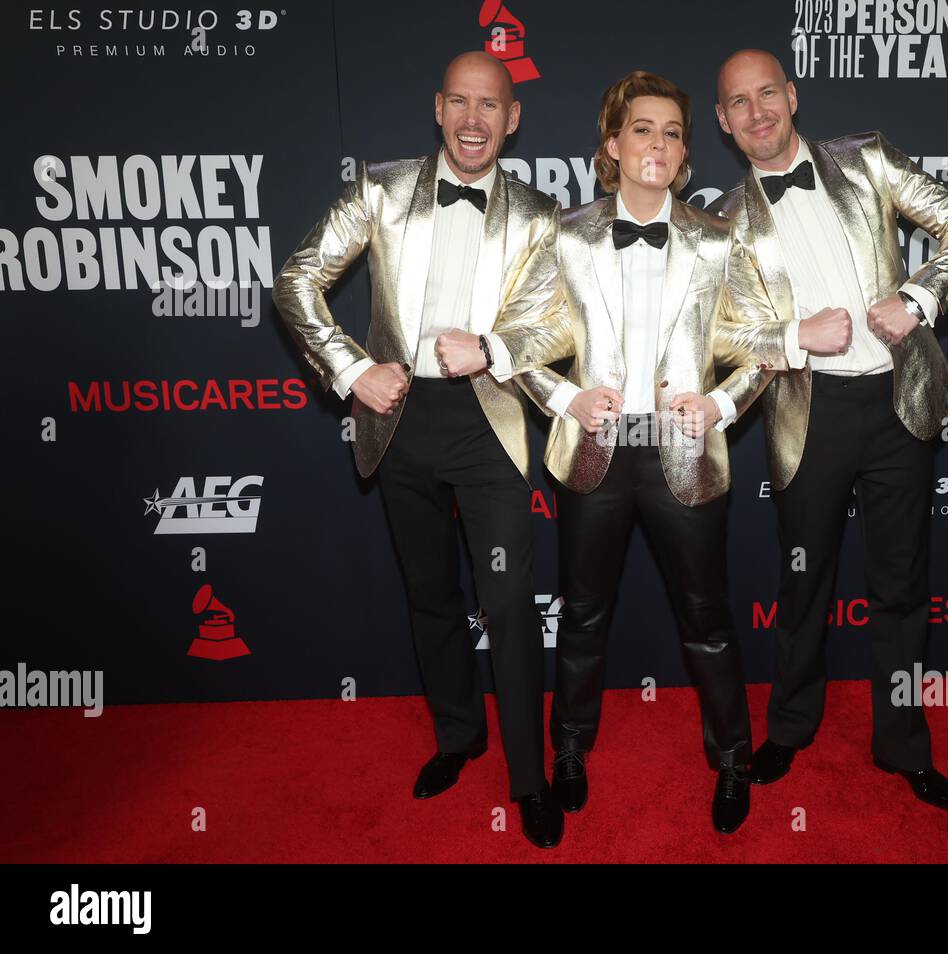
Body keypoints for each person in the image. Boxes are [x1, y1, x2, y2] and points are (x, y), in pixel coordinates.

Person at [436, 69, 849, 834]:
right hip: (595, 452)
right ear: (612, 146)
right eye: (642, 129)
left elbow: (760, 341)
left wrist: (719, 404)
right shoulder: (564, 235)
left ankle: (731, 759)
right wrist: (565, 399)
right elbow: (521, 336)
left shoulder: (720, 241)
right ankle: (568, 750)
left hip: (685, 453)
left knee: (709, 622)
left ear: (684, 154)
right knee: (585, 617)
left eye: (671, 132)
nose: (656, 143)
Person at [271, 51, 564, 848]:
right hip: (399, 421)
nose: (474, 120)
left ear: (513, 118)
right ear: (439, 109)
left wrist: (497, 347)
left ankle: (529, 778)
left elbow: (556, 327)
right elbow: (297, 278)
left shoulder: (540, 216)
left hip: (489, 426)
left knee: (508, 607)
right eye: (460, 103)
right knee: (430, 595)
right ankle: (457, 734)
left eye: (490, 105)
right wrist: (352, 368)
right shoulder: (382, 188)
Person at [708, 48, 948, 811]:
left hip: (899, 404)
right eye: (739, 102)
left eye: (768, 93)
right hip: (811, 415)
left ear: (792, 96)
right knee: (803, 585)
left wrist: (920, 297)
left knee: (901, 586)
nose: (757, 111)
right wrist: (793, 335)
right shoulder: (722, 223)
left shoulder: (864, 160)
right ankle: (792, 729)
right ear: (723, 121)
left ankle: (903, 744)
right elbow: (722, 337)